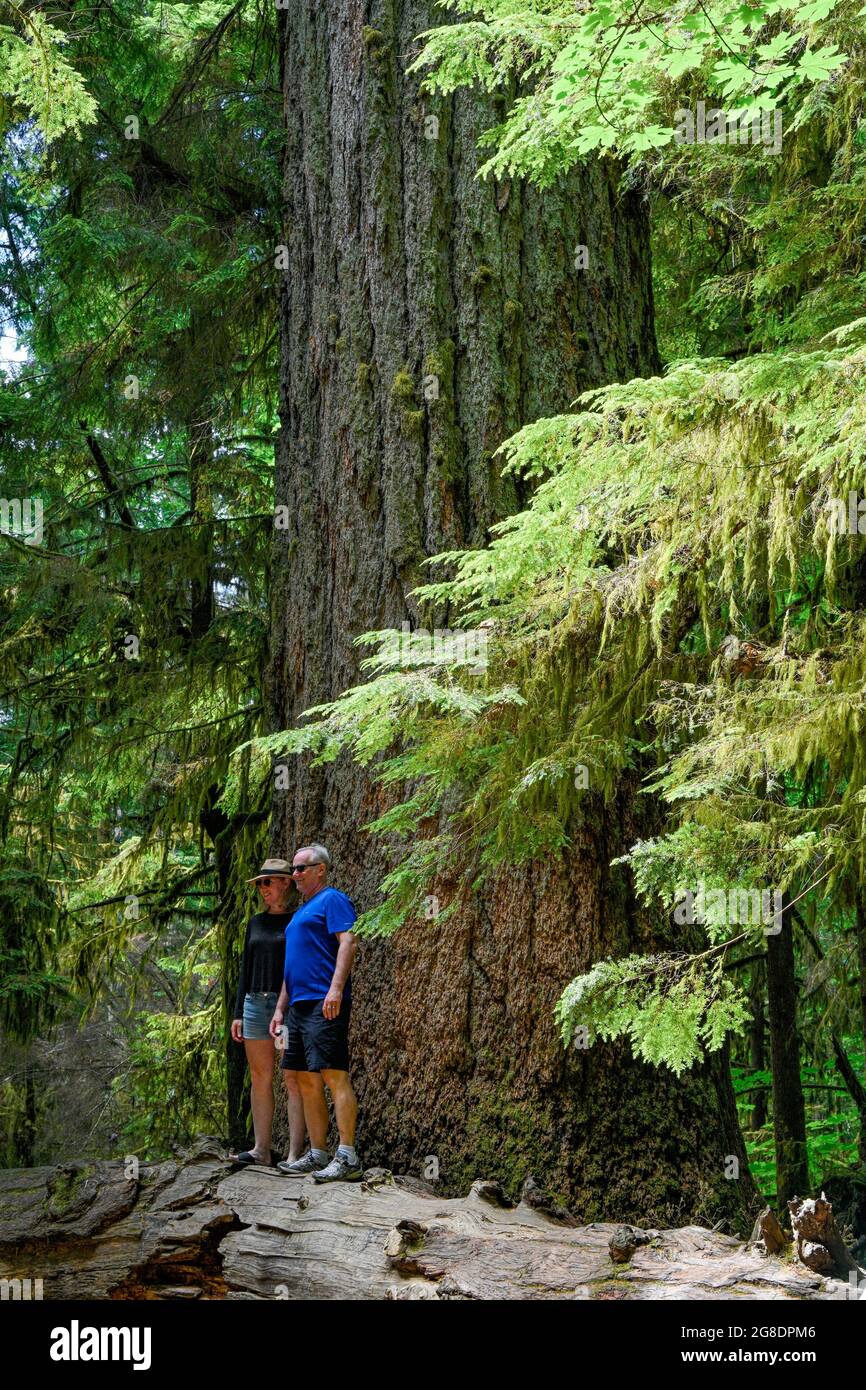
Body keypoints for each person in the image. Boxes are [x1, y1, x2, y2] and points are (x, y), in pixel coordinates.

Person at [270, 844, 362, 1182]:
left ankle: (348, 1155)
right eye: (293, 869)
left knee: (333, 1074)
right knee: (304, 1078)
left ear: (320, 869)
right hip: (297, 1007)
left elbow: (348, 941)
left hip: (325, 1002)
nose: (294, 875)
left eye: (300, 868)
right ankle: (318, 1153)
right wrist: (280, 1009)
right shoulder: (300, 914)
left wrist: (336, 989)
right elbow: (290, 966)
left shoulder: (333, 899)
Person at [228, 858, 309, 1166]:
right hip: (253, 1005)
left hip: (285, 1007)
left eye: (267, 882)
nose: (262, 889)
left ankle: (293, 1154)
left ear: (285, 882)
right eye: (260, 883)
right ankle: (261, 1149)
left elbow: (299, 966)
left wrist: (286, 1006)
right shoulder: (255, 923)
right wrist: (238, 1011)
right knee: (260, 1075)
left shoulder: (298, 920)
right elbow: (245, 969)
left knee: (291, 1077)